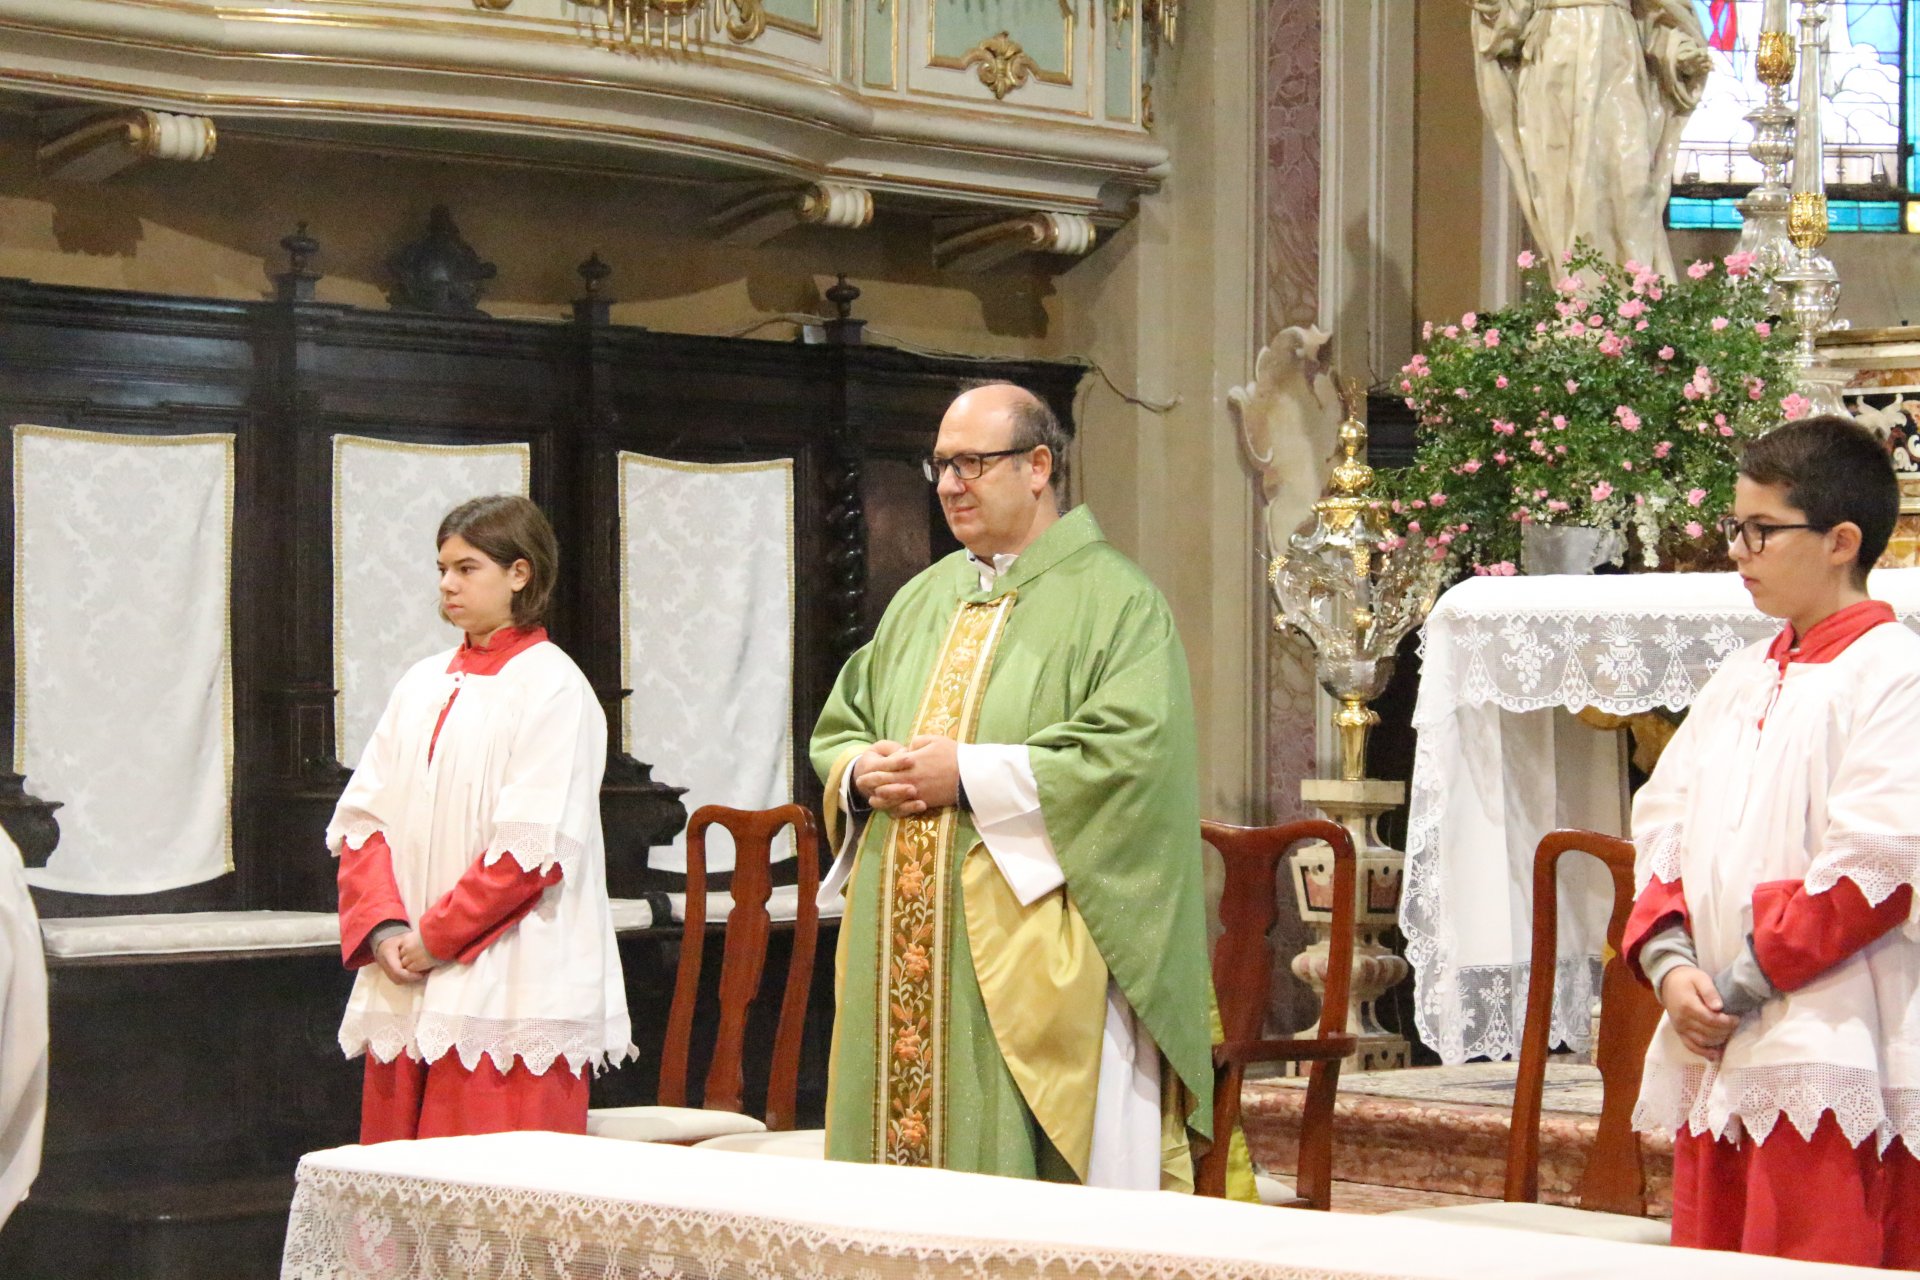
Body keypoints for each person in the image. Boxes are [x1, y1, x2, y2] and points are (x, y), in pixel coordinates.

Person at [810, 382, 1215, 1189]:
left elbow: (1130, 759)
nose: (950, 485)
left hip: (1029, 958)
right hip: (901, 954)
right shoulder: (924, 598)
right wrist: (860, 772)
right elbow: (844, 722)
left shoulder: (1118, 602)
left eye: (971, 463)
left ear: (1037, 467)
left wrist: (966, 773)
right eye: (940, 466)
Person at [1624, 416, 1920, 1266]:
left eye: (1761, 530)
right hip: (1719, 1032)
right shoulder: (1740, 674)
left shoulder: (1894, 673)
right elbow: (1663, 824)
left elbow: (1876, 869)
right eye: (1735, 527)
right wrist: (1671, 967)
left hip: (1829, 1026)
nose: (1737, 551)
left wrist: (1736, 989)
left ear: (1841, 542)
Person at [330, 494, 631, 1142]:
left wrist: (436, 938)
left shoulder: (554, 687)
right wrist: (386, 930)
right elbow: (363, 821)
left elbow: (530, 852)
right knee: (397, 1183)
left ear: (520, 573)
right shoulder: (420, 683)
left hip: (507, 978)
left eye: (467, 569)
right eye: (442, 568)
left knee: (491, 1184)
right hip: (406, 975)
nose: (447, 584)